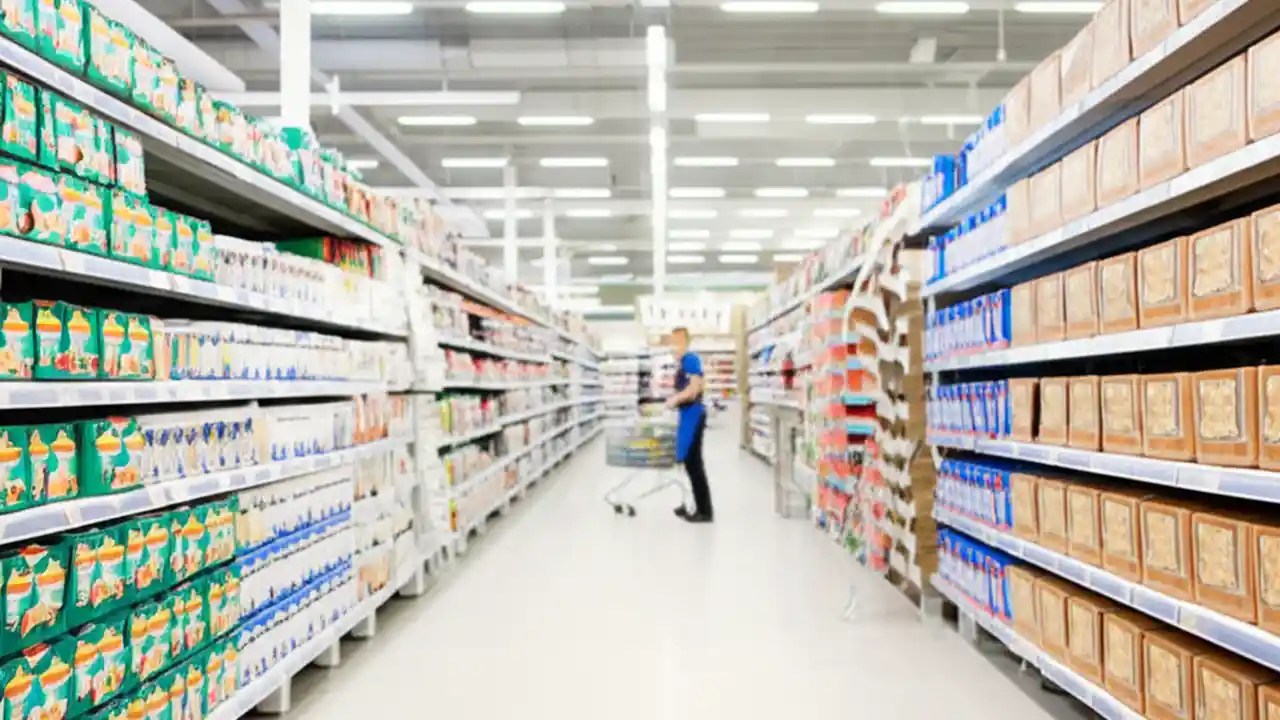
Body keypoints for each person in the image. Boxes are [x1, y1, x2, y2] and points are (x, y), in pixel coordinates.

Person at [666, 327, 713, 523]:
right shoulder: (683, 362)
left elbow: (694, 390)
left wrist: (674, 399)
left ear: (683, 341)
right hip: (688, 415)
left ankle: (704, 511)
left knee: (694, 464)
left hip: (693, 414)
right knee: (688, 461)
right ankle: (691, 504)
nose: (672, 345)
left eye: (675, 341)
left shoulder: (690, 359)